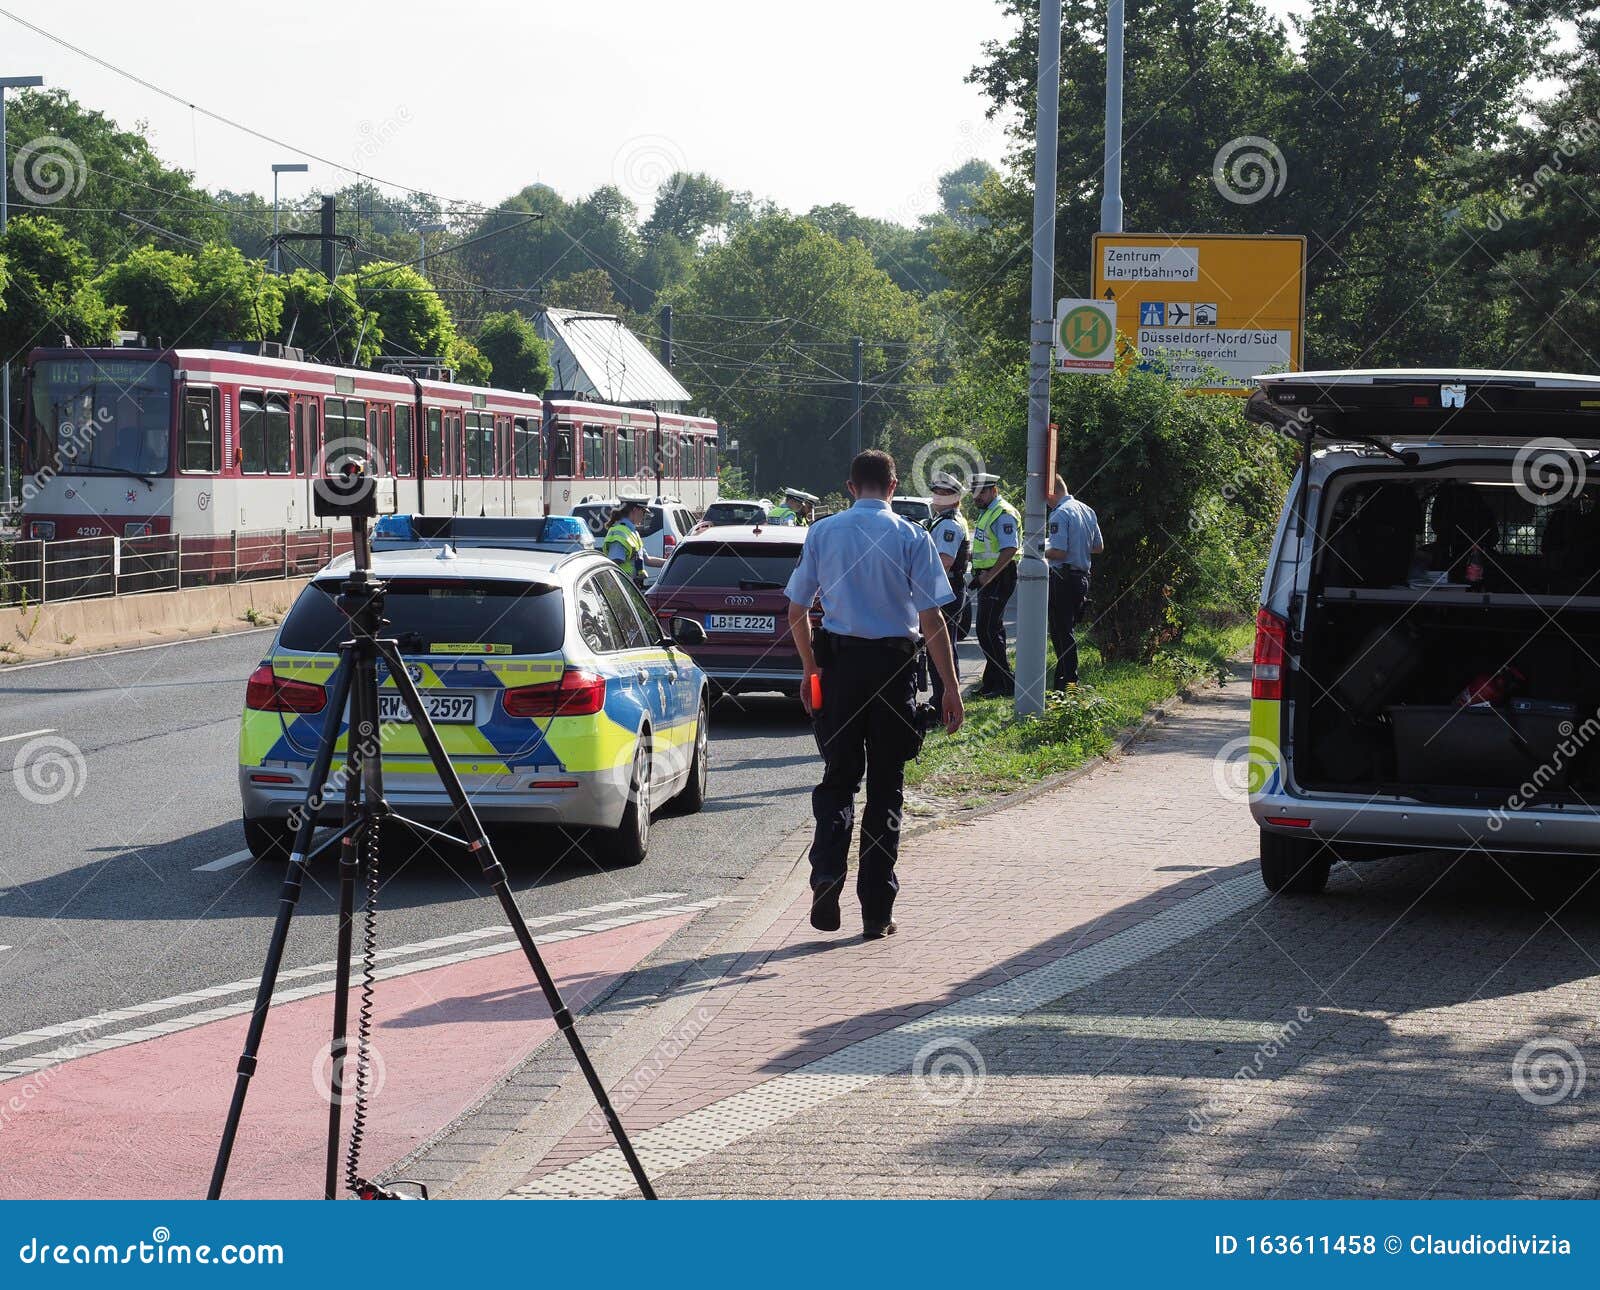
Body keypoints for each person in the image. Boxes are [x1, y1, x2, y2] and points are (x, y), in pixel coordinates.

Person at [786, 449, 964, 940]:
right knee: (886, 787)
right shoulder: (912, 536)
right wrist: (950, 688)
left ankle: (827, 873)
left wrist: (810, 670)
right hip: (894, 670)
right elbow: (931, 618)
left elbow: (796, 610)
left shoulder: (823, 532)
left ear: (850, 487)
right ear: (893, 485)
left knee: (838, 781)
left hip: (840, 672)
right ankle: (877, 910)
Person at [1044, 474, 1104, 689]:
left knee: (1061, 633)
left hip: (1063, 578)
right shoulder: (1087, 510)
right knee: (1065, 630)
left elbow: (1059, 552)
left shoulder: (1059, 514)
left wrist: (1038, 549)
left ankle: (1069, 684)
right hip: (1081, 578)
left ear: (1051, 492)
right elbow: (1098, 547)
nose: (1044, 501)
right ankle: (1063, 682)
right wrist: (1078, 547)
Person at [968, 473, 1020, 697]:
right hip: (989, 577)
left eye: (982, 491)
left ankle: (1005, 683)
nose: (976, 496)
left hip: (999, 576)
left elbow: (1010, 549)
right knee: (991, 629)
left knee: (987, 630)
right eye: (974, 492)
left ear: (994, 490)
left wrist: (989, 575)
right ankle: (992, 682)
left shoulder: (1002, 513)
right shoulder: (988, 512)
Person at [925, 472, 970, 714]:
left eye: (942, 494)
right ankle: (943, 700)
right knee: (942, 647)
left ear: (954, 498)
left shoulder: (948, 525)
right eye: (936, 493)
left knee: (942, 648)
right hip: (947, 588)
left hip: (945, 589)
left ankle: (944, 702)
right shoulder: (942, 521)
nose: (936, 498)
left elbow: (944, 562)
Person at [603, 496, 665, 586]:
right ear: (635, 510)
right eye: (643, 512)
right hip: (623, 587)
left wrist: (672, 562)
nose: (644, 516)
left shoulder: (633, 532)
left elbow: (647, 560)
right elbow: (614, 565)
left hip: (631, 587)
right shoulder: (621, 533)